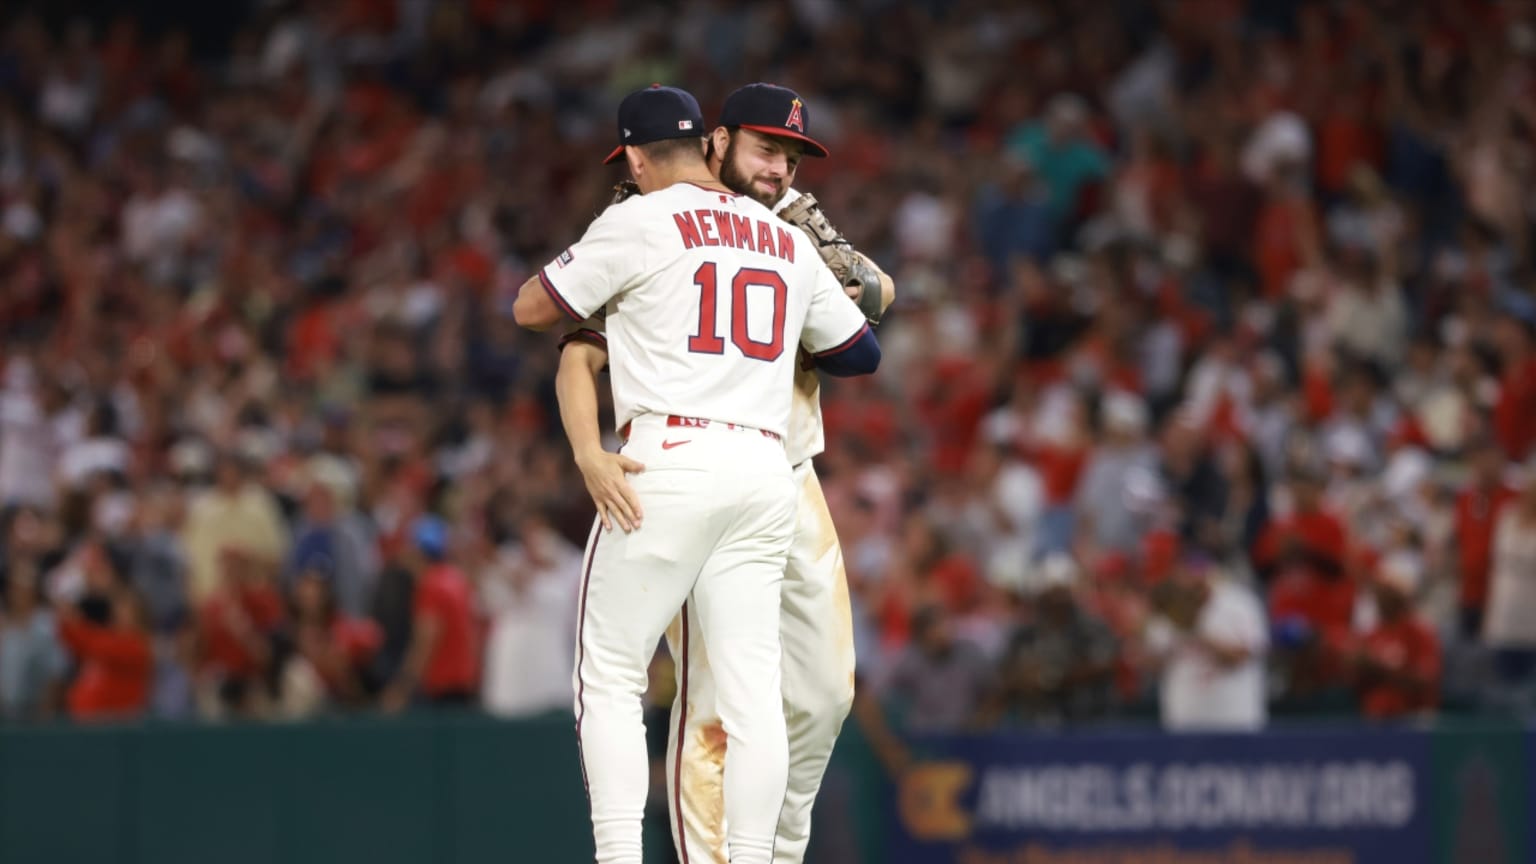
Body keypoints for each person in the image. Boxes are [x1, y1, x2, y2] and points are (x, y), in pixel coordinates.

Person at [513, 84, 879, 864]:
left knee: (612, 675)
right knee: (749, 705)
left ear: (639, 157)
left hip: (674, 458)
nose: (780, 169)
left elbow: (533, 311)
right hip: (758, 467)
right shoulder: (781, 241)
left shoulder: (639, 219)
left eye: (790, 158)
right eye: (766, 150)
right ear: (713, 145)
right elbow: (862, 350)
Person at [1144, 557, 1269, 731]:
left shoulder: (1238, 603)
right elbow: (1152, 662)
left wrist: (1196, 630)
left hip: (1234, 721)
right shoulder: (1169, 607)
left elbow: (1240, 657)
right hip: (1184, 721)